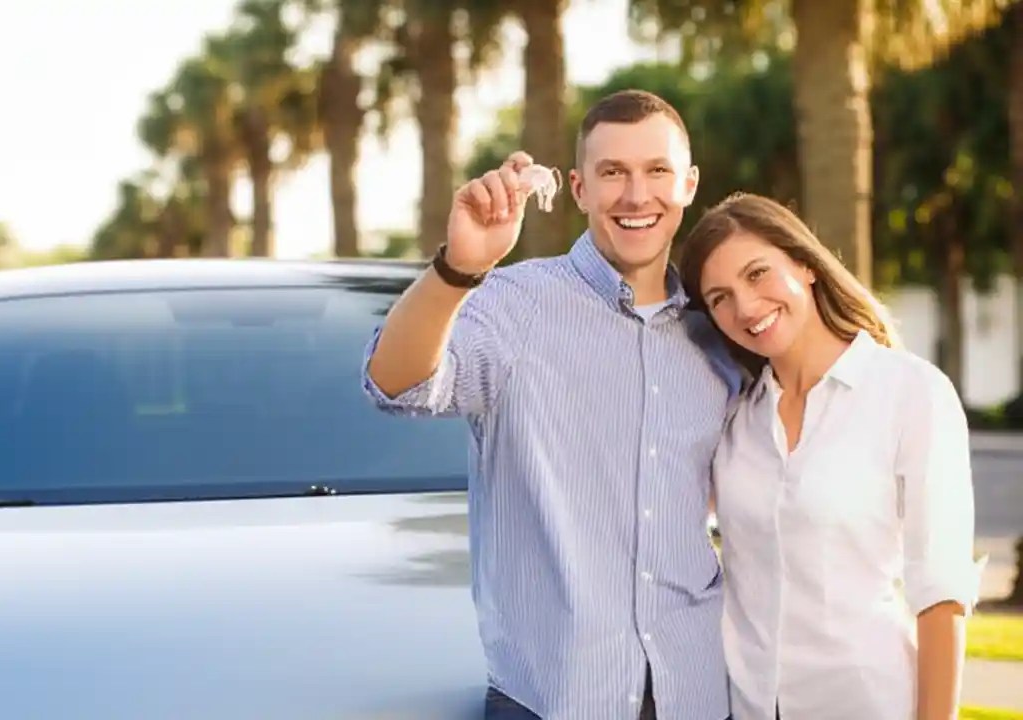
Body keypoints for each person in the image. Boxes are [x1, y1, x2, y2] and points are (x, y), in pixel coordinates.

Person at [361, 89, 740, 719]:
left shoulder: (717, 333)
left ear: (689, 184)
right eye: (612, 172)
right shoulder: (513, 304)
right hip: (553, 700)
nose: (636, 195)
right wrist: (459, 268)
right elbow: (394, 385)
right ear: (578, 188)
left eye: (657, 172)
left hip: (699, 694)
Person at [677, 192, 980, 720]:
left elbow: (941, 592)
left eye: (757, 274)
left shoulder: (910, 392)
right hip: (744, 707)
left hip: (867, 702)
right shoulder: (732, 416)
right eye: (720, 297)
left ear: (805, 264)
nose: (746, 307)